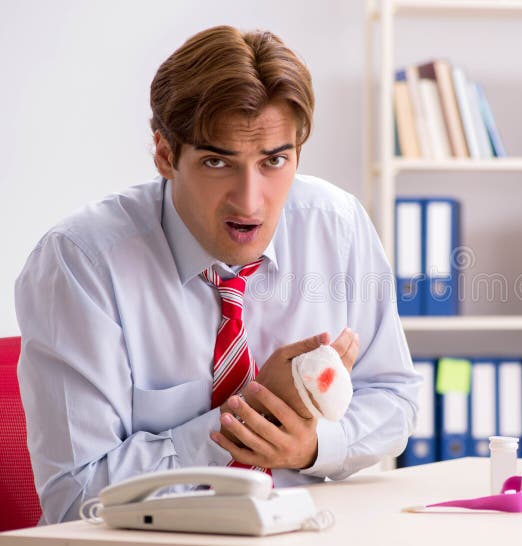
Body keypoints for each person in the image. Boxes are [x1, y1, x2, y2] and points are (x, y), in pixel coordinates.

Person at [15, 25, 419, 524]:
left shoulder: (337, 225)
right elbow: (77, 497)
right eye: (217, 161)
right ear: (165, 155)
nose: (250, 202)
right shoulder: (81, 262)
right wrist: (248, 419)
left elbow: (395, 398)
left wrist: (312, 444)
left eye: (274, 160)